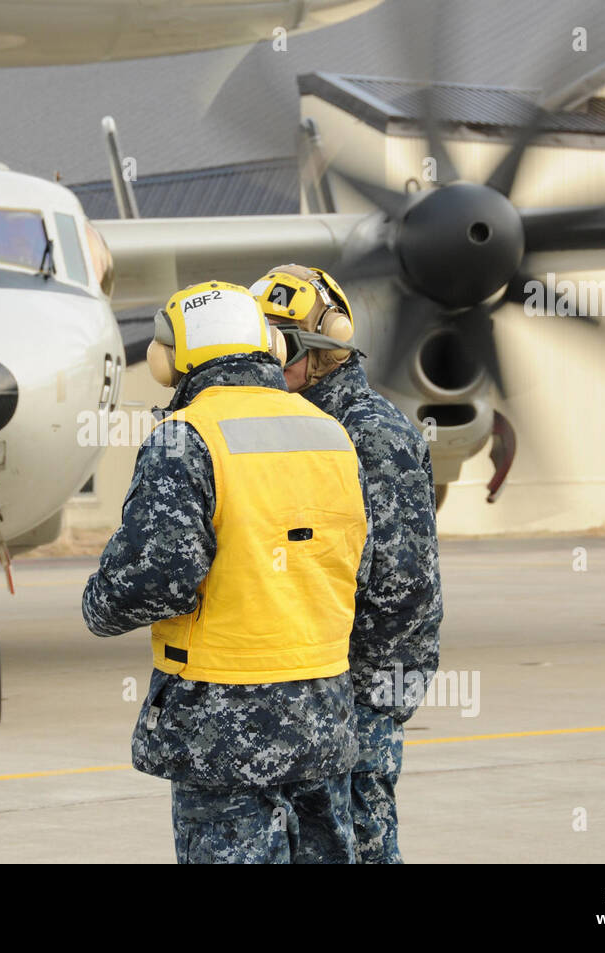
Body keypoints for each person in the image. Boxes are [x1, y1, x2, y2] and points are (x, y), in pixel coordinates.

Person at [81, 279, 371, 864]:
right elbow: (354, 564)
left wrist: (96, 603)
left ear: (173, 359)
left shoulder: (185, 440)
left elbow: (156, 578)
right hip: (324, 707)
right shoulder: (332, 435)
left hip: (224, 717)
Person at [251, 263, 443, 864]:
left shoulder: (371, 436)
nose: (262, 370)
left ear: (321, 353)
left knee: (361, 845)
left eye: (276, 351)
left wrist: (361, 703)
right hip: (304, 697)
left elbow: (403, 589)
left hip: (356, 699)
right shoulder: (288, 426)